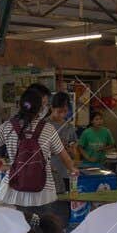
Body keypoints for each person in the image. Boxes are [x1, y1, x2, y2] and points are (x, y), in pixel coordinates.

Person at [0, 83, 72, 210]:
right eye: (44, 105)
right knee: (42, 226)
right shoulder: (48, 129)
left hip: (14, 187)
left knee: (18, 227)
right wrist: (73, 170)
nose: (45, 107)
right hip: (43, 190)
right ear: (39, 108)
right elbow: (64, 157)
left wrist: (0, 165)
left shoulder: (8, 126)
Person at [47, 92, 81, 224]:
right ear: (51, 108)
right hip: (49, 174)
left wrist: (70, 150)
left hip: (66, 174)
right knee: (49, 209)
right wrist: (56, 147)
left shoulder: (69, 127)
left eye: (65, 111)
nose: (62, 115)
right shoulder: (44, 126)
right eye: (59, 111)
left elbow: (74, 153)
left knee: (64, 210)